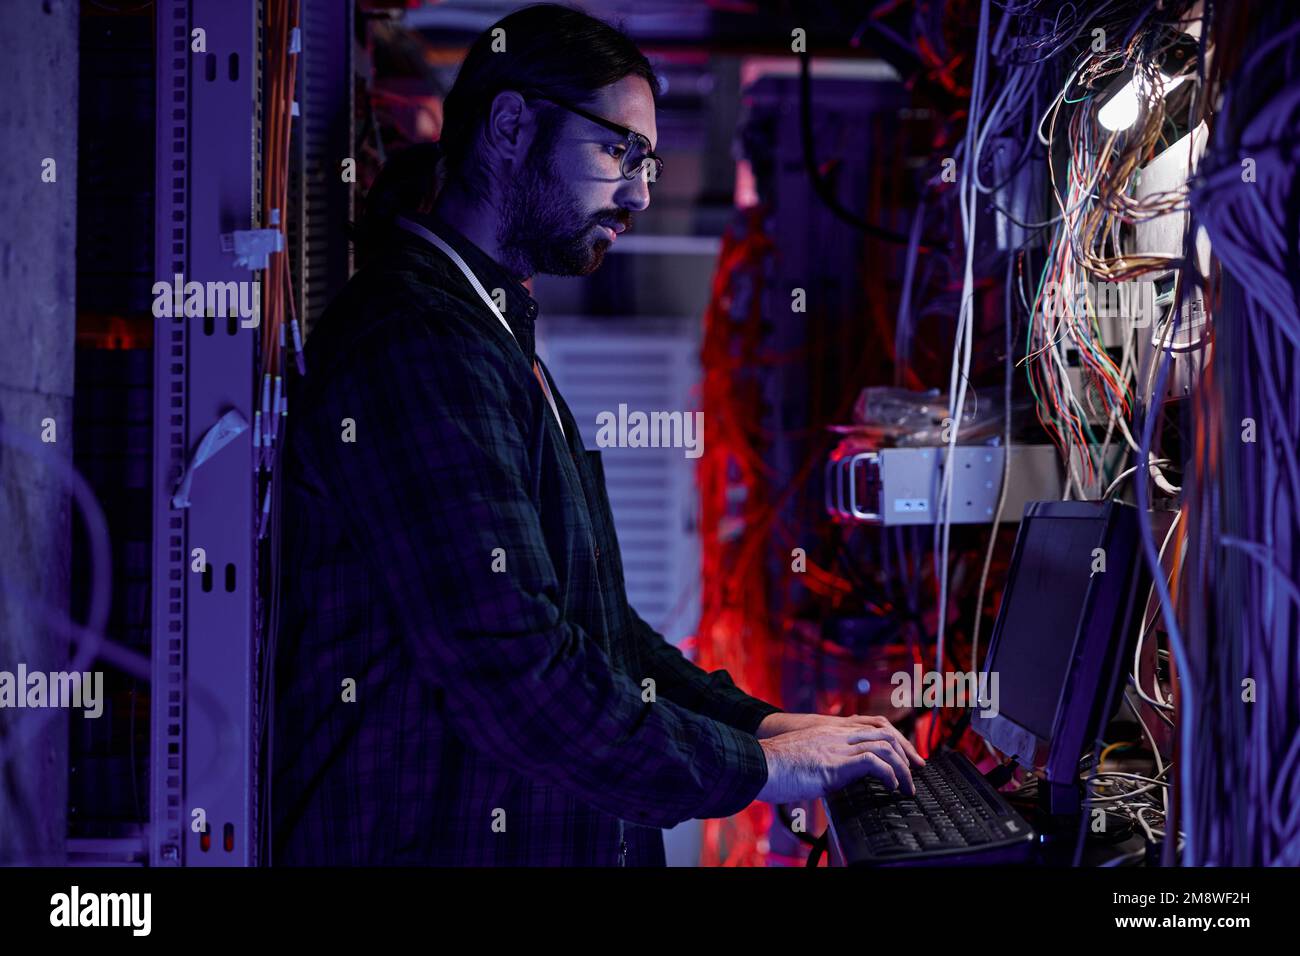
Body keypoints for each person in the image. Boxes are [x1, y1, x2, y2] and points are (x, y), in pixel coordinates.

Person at [271, 3, 922, 866]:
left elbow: (600, 632)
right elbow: (516, 676)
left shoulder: (489, 329)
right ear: (510, 127)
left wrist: (765, 726)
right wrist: (758, 771)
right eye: (619, 150)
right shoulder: (418, 342)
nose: (641, 192)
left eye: (647, 160)